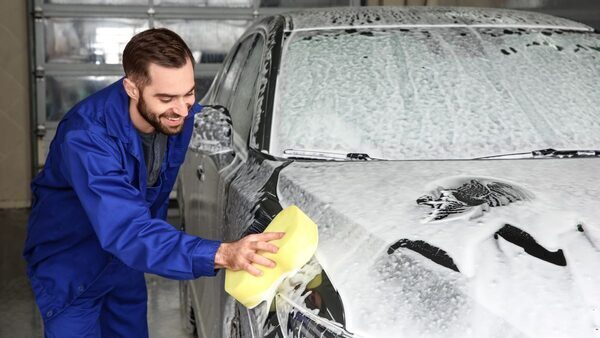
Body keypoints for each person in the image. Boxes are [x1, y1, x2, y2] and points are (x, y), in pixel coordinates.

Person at [23, 28, 283, 337]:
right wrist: (222, 254)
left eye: (189, 93)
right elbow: (126, 229)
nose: (182, 109)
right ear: (132, 89)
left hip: (125, 265)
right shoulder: (87, 138)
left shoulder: (178, 115)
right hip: (72, 268)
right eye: (166, 98)